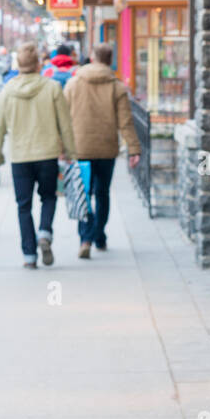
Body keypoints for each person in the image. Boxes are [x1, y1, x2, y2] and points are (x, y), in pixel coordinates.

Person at [0, 42, 77, 268]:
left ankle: (29, 255)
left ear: (18, 64)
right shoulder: (52, 88)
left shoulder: (7, 91)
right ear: (39, 63)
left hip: (20, 156)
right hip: (48, 153)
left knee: (23, 205)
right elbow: (65, 125)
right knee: (48, 197)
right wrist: (70, 151)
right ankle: (45, 232)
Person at [64, 43, 141, 259]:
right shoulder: (116, 87)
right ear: (110, 60)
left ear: (91, 57)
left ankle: (86, 237)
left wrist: (62, 147)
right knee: (102, 193)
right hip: (106, 149)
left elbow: (64, 119)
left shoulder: (73, 84)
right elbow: (125, 122)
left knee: (83, 194)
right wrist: (134, 148)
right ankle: (99, 235)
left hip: (80, 148)